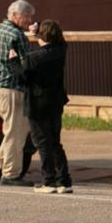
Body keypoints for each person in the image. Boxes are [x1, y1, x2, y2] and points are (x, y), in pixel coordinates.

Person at [11, 19, 72, 194]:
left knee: (42, 141)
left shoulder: (34, 58)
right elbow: (55, 39)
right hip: (56, 100)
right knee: (54, 141)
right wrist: (38, 29)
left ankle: (49, 181)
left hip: (37, 103)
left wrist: (13, 62)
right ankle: (64, 180)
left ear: (42, 36)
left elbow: (22, 78)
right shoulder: (61, 50)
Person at [0, 0, 35, 185]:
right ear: (15, 15)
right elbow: (26, 64)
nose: (29, 20)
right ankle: (10, 174)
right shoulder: (17, 35)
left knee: (13, 130)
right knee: (16, 133)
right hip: (12, 88)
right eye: (27, 16)